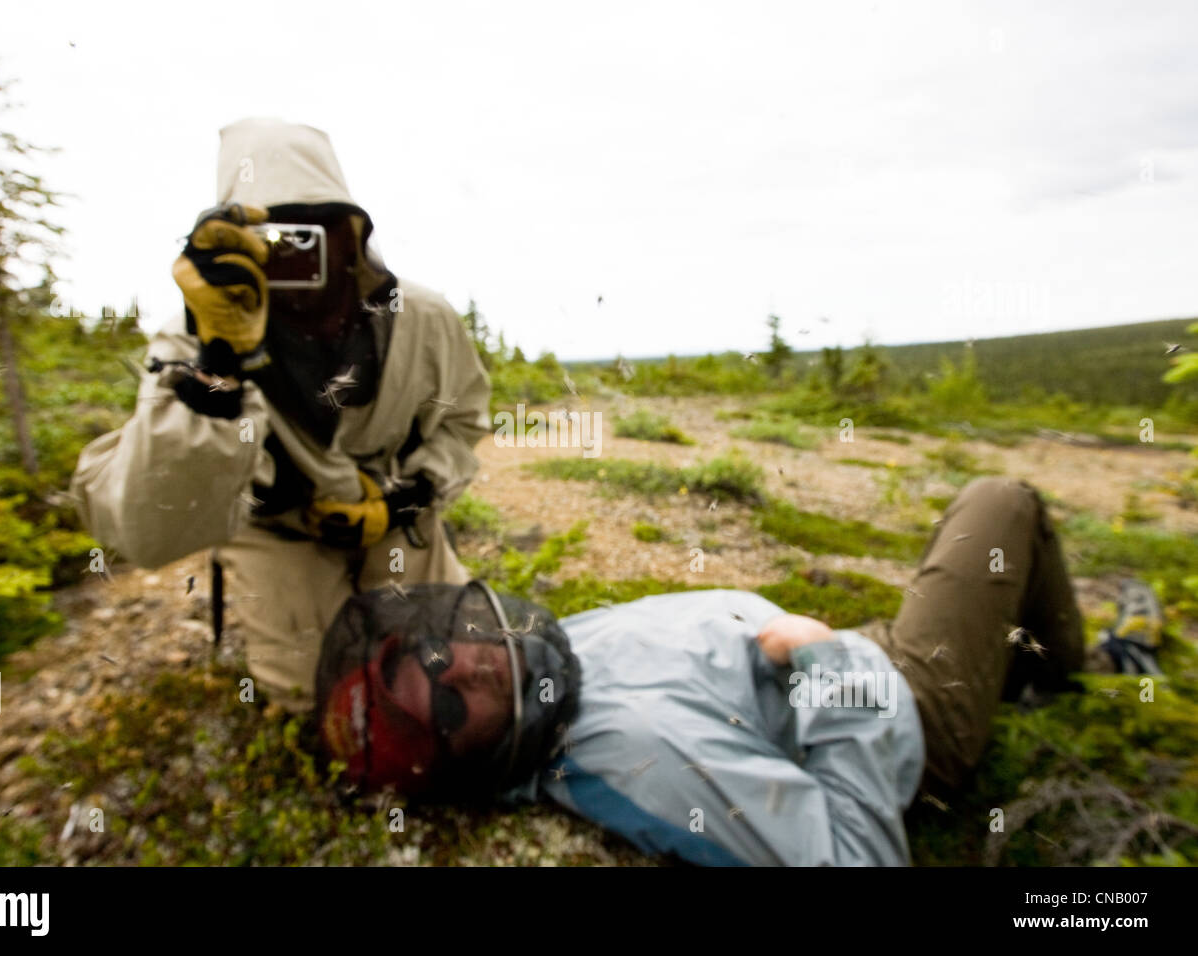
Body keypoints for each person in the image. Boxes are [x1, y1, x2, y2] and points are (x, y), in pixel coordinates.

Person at [312, 476, 1165, 866]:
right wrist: (826, 665)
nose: (467, 670)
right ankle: (1078, 672)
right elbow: (855, 854)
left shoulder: (535, 665)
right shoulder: (639, 760)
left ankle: (1014, 664)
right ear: (466, 762)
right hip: (895, 703)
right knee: (1000, 505)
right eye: (450, 712)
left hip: (821, 654)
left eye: (433, 655)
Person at [72, 118, 491, 712]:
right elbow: (152, 530)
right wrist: (220, 366)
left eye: (315, 232)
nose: (294, 254)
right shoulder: (193, 344)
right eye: (273, 237)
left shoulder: (419, 318)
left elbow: (462, 421)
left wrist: (402, 500)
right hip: (273, 523)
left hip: (388, 505)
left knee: (443, 656)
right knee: (313, 694)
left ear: (353, 234)